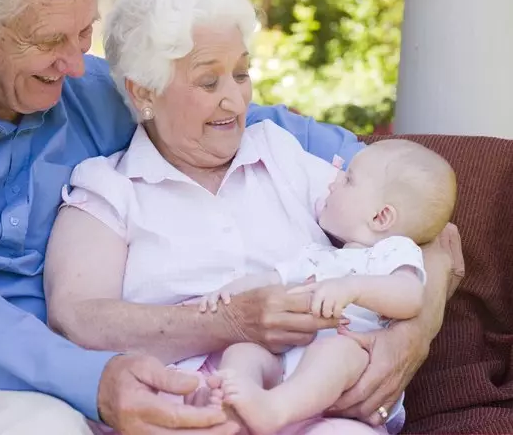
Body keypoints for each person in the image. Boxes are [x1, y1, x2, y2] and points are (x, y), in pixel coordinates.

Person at [44, 0, 463, 435]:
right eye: (208, 80)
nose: (235, 99)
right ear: (144, 94)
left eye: (241, 74)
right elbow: (79, 320)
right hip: (185, 407)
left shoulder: (283, 153)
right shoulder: (109, 189)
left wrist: (415, 331)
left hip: (311, 399)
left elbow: (419, 220)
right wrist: (229, 323)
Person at [186, 139, 457, 435]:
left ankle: (273, 410)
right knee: (244, 351)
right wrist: (229, 291)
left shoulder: (394, 252)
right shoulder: (318, 254)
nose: (333, 182)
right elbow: (274, 278)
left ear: (381, 217)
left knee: (338, 351)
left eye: (349, 179)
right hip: (290, 365)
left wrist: (353, 288)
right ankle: (234, 404)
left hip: (351, 377)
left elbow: (410, 296)